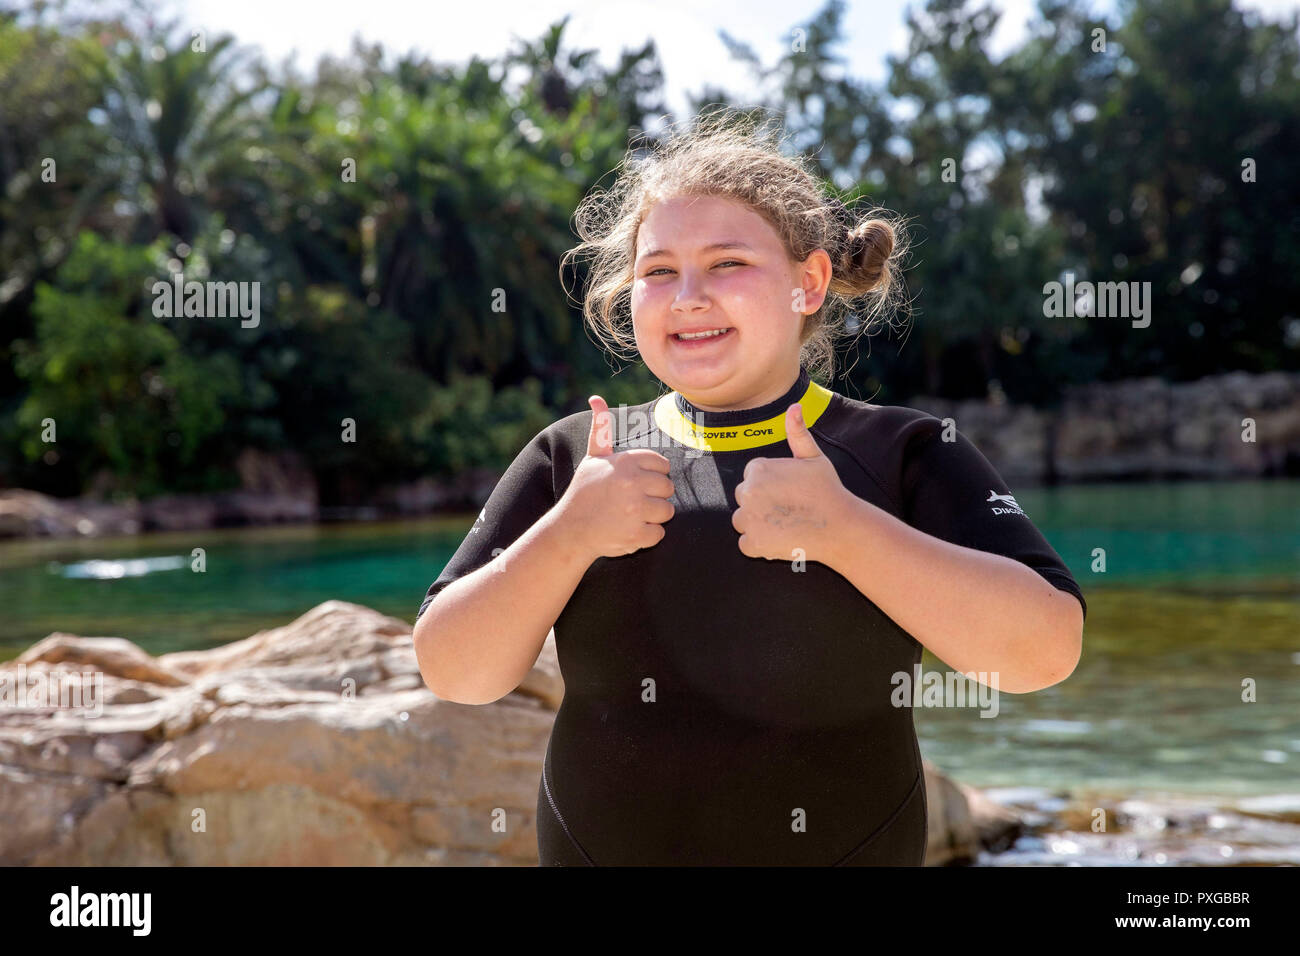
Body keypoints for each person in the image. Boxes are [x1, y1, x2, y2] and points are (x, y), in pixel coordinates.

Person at [412, 112, 1086, 866]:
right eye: (658, 270)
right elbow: (454, 672)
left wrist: (849, 534)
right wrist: (566, 536)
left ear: (810, 282)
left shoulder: (902, 452)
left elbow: (1044, 653)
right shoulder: (576, 455)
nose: (688, 295)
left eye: (727, 263)